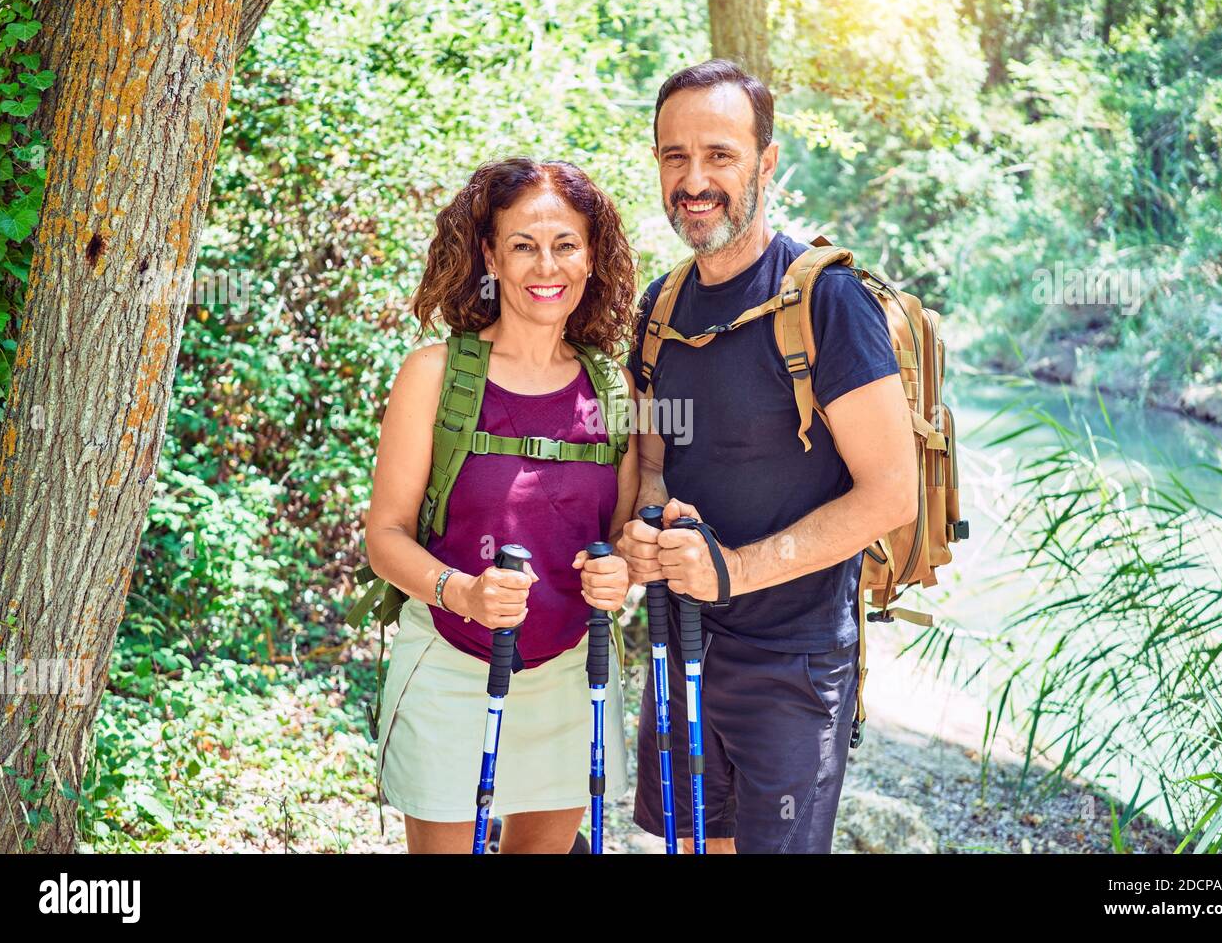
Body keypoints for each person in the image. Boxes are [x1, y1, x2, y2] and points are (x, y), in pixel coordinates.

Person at [617, 60, 918, 853]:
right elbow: (651, 463)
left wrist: (739, 571)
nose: (694, 179)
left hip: (794, 667)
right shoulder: (659, 309)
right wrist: (645, 526)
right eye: (675, 156)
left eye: (719, 154)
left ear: (766, 162)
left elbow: (892, 496)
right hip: (679, 637)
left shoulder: (827, 301)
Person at [365, 157, 639, 853]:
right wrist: (462, 593)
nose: (546, 265)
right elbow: (386, 536)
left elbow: (620, 541)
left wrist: (621, 574)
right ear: (490, 254)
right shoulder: (434, 376)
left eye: (566, 244)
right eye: (523, 245)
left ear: (591, 253)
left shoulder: (616, 393)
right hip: (451, 667)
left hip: (573, 674)